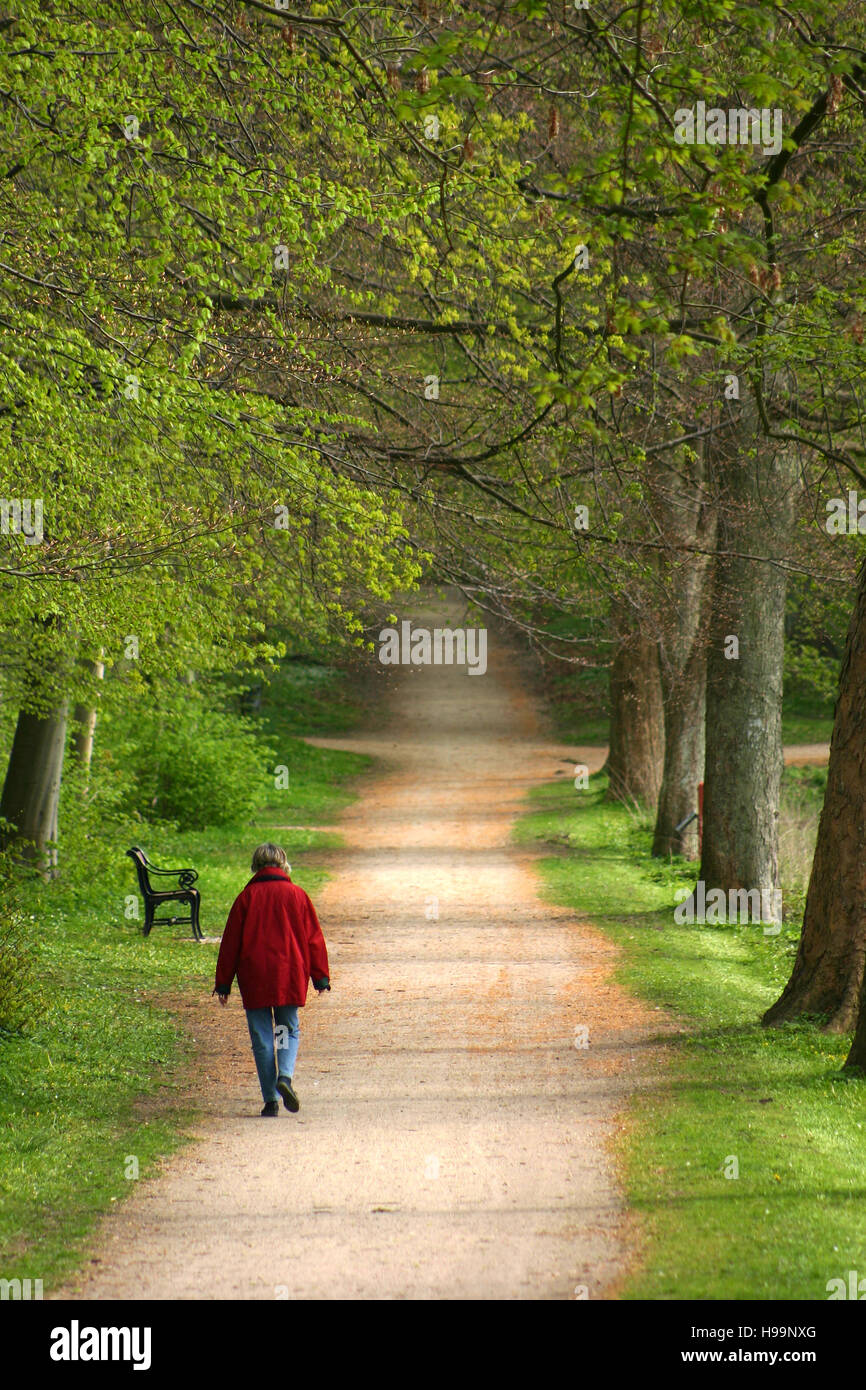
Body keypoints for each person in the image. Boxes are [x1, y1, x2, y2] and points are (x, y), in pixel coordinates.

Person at [213, 843, 331, 1116]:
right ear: (283, 864)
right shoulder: (297, 896)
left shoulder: (246, 898)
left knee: (262, 1037)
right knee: (287, 1029)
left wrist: (223, 983)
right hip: (288, 972)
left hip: (254, 975)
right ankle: (285, 1077)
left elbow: (230, 943)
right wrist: (320, 977)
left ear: (256, 866)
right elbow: (314, 938)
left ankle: (270, 1101)